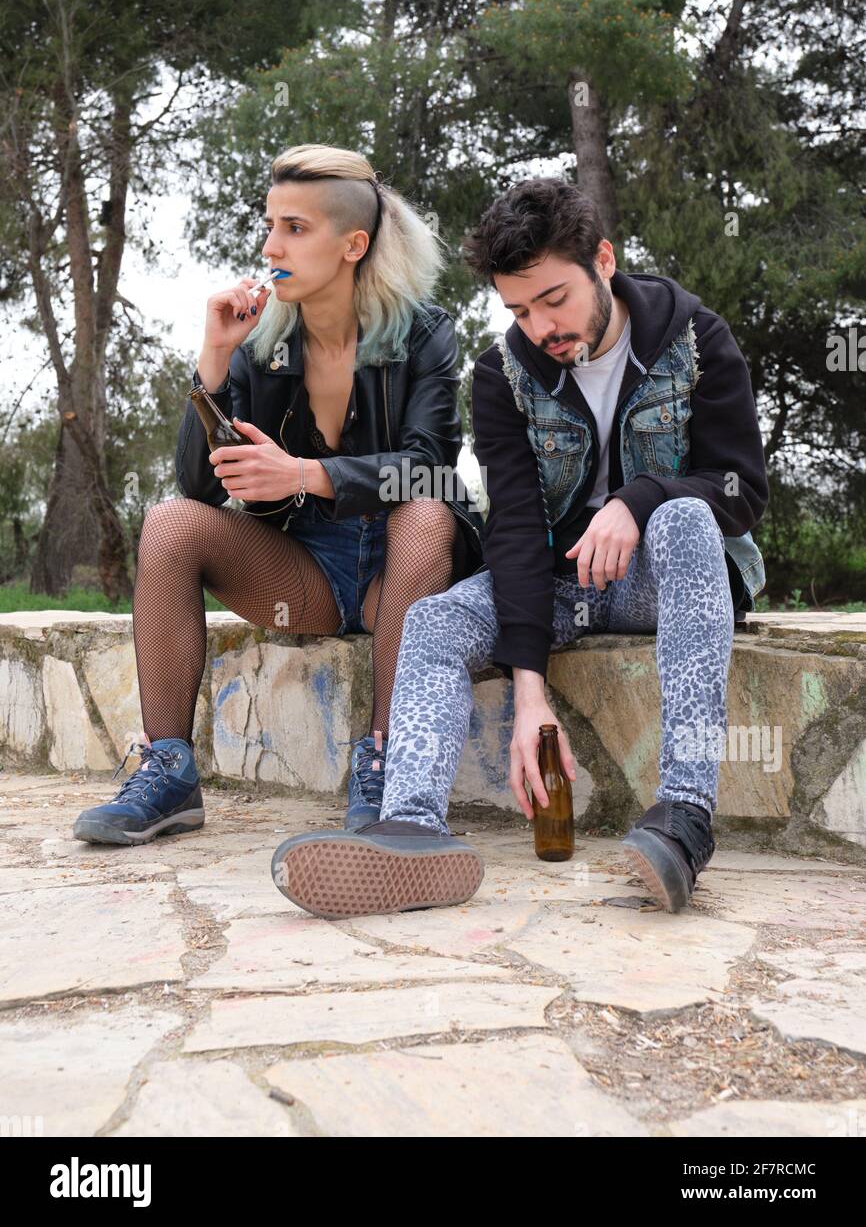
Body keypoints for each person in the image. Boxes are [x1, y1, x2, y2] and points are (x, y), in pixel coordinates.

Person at [270, 178, 769, 919]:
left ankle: (685, 819)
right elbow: (514, 531)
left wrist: (638, 503)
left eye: (554, 300)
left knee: (685, 519)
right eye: (519, 310)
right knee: (436, 622)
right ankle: (412, 829)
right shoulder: (502, 374)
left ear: (602, 260)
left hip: (671, 576)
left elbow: (740, 490)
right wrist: (529, 684)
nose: (540, 326)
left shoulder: (694, 337)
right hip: (566, 583)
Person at [72, 144, 483, 847]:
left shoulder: (424, 333)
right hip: (309, 573)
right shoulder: (262, 341)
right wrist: (213, 361)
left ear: (353, 244)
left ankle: (385, 767)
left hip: (404, 572)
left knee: (422, 514)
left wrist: (304, 474)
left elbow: (432, 471)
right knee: (170, 525)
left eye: (295, 228)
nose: (270, 246)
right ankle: (168, 770)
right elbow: (198, 485)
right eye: (269, 226)